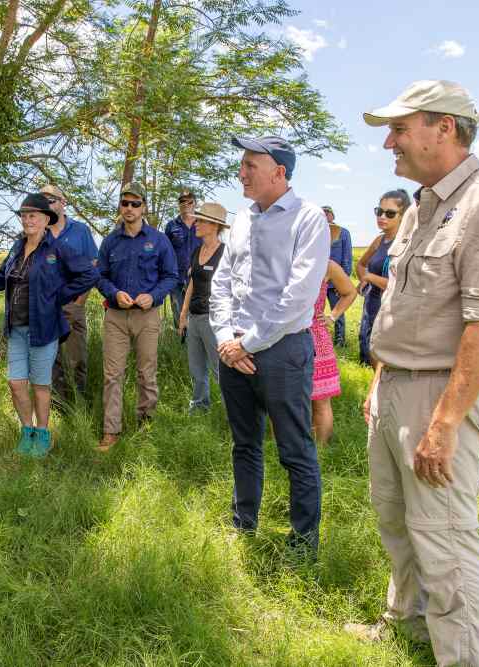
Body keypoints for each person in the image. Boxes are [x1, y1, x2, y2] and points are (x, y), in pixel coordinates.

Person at [345, 81, 479, 667]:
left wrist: (446, 422)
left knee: (444, 536)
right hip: (395, 386)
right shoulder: (420, 208)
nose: (389, 143)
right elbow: (403, 309)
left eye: (400, 130)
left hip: (439, 394)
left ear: (445, 128)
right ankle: (406, 623)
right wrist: (379, 380)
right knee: (396, 519)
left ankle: (462, 658)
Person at [209, 135, 329, 555]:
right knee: (244, 444)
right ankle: (243, 524)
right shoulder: (242, 219)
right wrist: (226, 339)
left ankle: (303, 544)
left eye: (250, 165)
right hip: (234, 350)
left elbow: (298, 296)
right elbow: (222, 283)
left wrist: (249, 343)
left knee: (294, 449)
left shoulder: (307, 219)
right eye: (241, 164)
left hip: (282, 351)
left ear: (279, 172)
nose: (241, 173)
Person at [0, 194, 98, 457]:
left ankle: (43, 434)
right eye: (24, 216)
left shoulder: (57, 249)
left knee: (40, 385)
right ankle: (27, 431)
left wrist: (60, 295)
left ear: (46, 219)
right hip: (16, 329)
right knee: (16, 383)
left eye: (33, 216)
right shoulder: (17, 248)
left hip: (44, 329)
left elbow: (90, 273)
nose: (28, 220)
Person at [95, 182, 178, 451]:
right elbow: (100, 276)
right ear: (120, 206)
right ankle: (111, 432)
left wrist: (152, 296)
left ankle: (146, 427)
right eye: (125, 203)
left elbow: (171, 276)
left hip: (147, 316)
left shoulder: (159, 240)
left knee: (146, 373)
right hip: (116, 317)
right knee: (112, 375)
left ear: (144, 207)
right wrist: (114, 292)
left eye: (135, 203)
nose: (129, 208)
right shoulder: (110, 241)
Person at [39, 184, 99, 403]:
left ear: (63, 203)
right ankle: (58, 405)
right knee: (50, 359)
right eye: (42, 200)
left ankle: (79, 403)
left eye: (51, 200)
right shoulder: (38, 231)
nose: (46, 204)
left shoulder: (80, 230)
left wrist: (80, 300)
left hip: (73, 303)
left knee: (77, 357)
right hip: (46, 306)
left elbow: (93, 264)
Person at [177, 202, 229, 413]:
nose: (195, 223)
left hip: (215, 319)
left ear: (214, 225)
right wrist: (183, 314)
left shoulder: (226, 253)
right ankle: (199, 407)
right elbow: (192, 282)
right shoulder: (197, 250)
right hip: (194, 318)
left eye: (200, 220)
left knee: (220, 369)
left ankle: (233, 414)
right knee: (197, 369)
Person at [356, 190, 410, 367]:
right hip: (371, 306)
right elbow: (361, 264)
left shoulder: (407, 243)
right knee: (371, 353)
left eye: (390, 213)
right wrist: (364, 279)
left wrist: (370, 277)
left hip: (391, 309)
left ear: (403, 215)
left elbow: (400, 284)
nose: (382, 217)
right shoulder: (379, 241)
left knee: (386, 361)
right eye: (379, 211)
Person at [310, 260, 356, 445]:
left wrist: (332, 316)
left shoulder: (326, 264)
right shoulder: (280, 256)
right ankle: (282, 453)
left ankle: (321, 453)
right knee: (283, 400)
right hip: (282, 337)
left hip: (315, 337)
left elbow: (350, 292)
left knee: (320, 400)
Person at [165, 188, 201, 334]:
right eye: (182, 201)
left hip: (199, 278)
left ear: (195, 203)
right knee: (179, 317)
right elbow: (165, 252)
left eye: (189, 201)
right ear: (178, 204)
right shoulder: (171, 226)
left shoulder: (203, 223)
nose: (186, 204)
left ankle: (197, 343)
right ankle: (182, 344)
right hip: (176, 279)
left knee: (199, 316)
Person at [323, 205, 353, 346]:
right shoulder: (317, 232)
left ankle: (339, 339)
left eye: (328, 213)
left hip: (336, 281)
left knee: (337, 310)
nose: (325, 215)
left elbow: (347, 257)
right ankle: (318, 338)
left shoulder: (343, 233)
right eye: (323, 213)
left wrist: (343, 280)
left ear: (333, 216)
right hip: (319, 281)